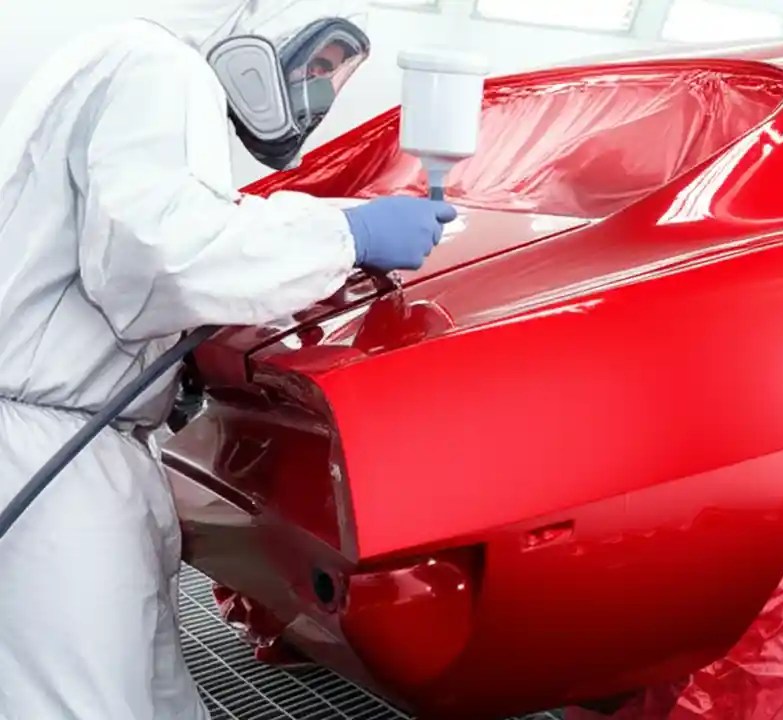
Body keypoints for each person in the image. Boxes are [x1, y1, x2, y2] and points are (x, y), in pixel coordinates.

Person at [0, 1, 456, 717]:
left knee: (145, 686)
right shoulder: (157, 66)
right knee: (81, 700)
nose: (320, 88)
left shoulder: (133, 65)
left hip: (90, 444)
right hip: (49, 457)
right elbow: (165, 256)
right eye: (320, 62)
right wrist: (344, 233)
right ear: (266, 25)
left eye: (338, 74)